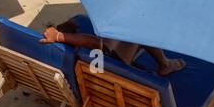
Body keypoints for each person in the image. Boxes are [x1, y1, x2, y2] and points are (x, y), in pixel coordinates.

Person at [40, 18, 185, 77]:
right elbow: (93, 42)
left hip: (98, 77)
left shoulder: (76, 61)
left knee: (135, 33)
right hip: (120, 72)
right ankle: (165, 64)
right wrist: (59, 36)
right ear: (75, 37)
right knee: (140, 33)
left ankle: (164, 62)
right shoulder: (95, 52)